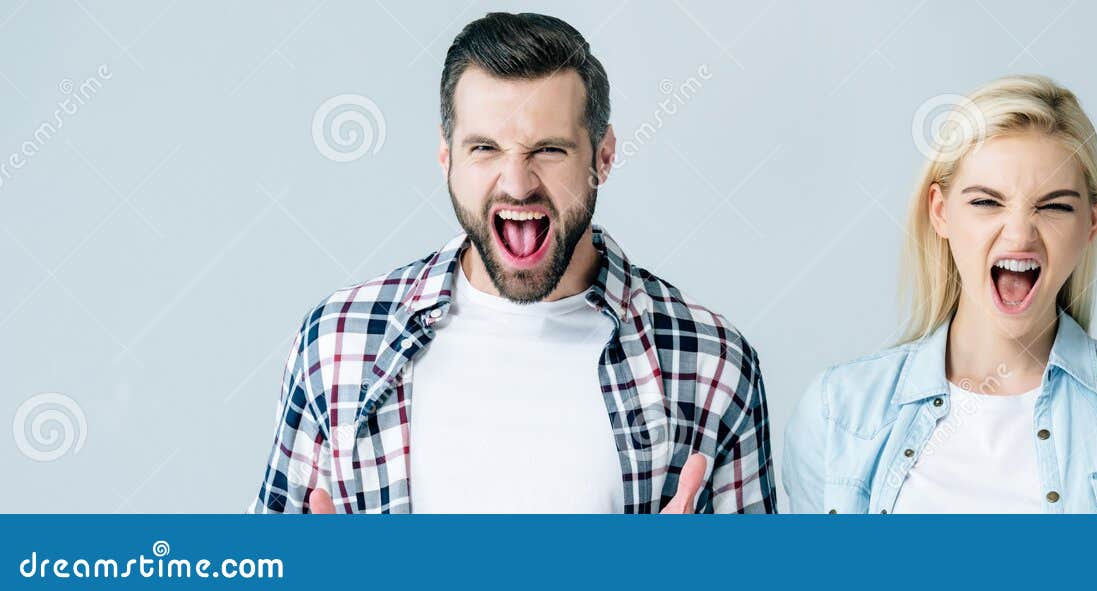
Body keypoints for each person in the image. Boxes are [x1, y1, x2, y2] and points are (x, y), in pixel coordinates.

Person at [250, 12, 774, 514]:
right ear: (446, 156)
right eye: (484, 148)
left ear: (603, 155)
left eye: (548, 150)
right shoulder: (339, 343)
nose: (517, 183)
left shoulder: (711, 363)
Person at [783, 75, 1097, 513]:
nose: (1019, 235)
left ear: (1092, 219)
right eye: (987, 202)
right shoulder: (837, 411)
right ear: (940, 212)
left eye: (1054, 206)